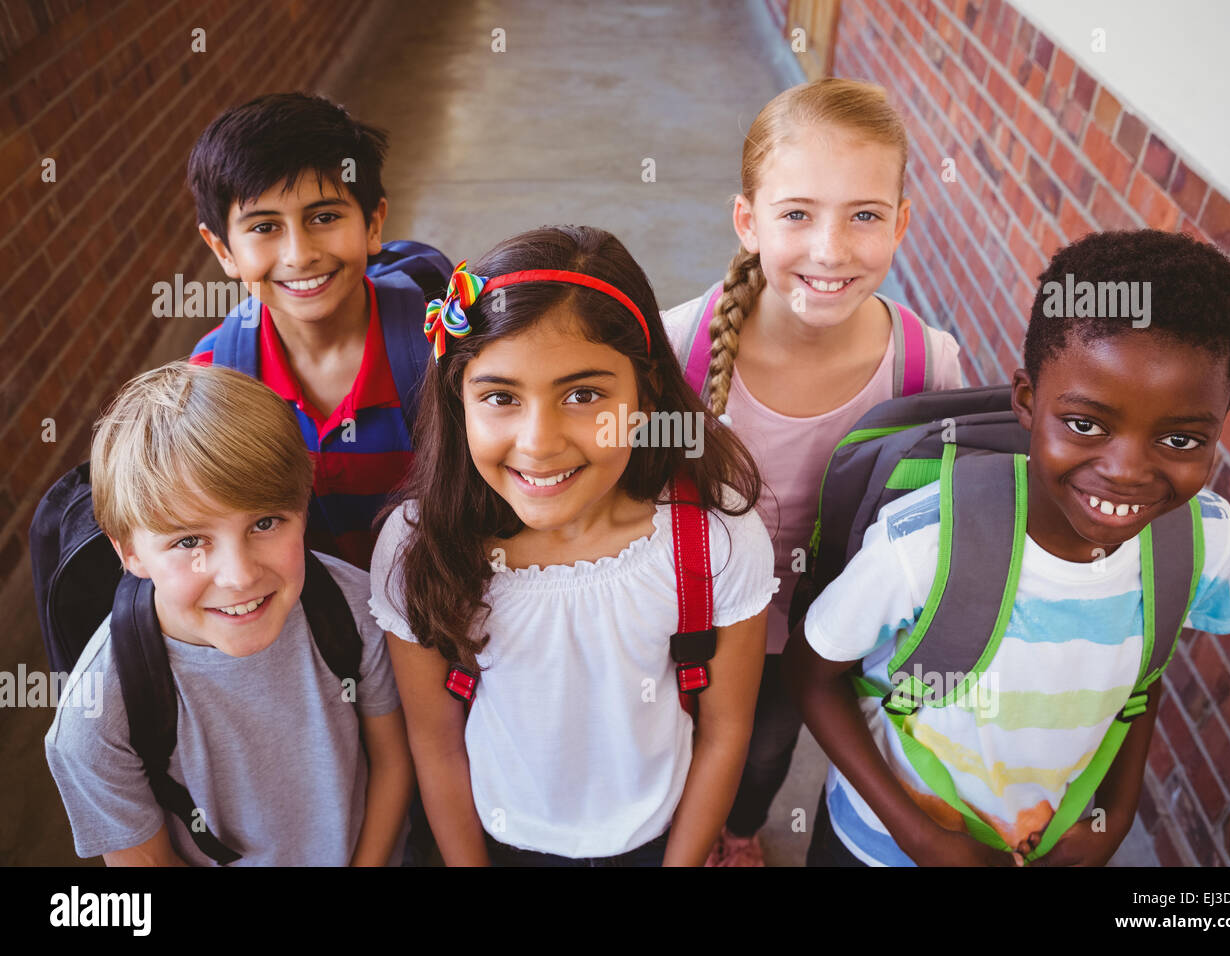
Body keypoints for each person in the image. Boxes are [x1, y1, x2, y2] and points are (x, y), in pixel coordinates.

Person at [785, 229, 1230, 866]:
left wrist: (1111, 819)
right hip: (879, 846)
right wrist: (920, 836)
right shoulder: (926, 543)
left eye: (1179, 440)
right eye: (1086, 424)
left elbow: (1141, 675)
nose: (1125, 471)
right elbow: (813, 678)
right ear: (1028, 400)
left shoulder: (1205, 545)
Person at [370, 225, 780, 866]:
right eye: (501, 397)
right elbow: (436, 744)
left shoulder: (715, 540)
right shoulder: (419, 546)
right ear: (460, 402)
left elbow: (725, 732)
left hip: (658, 841)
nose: (538, 442)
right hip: (498, 842)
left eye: (583, 395)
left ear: (645, 397)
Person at [662, 77, 963, 865]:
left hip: (811, 634)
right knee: (669, 743)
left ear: (900, 224)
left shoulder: (927, 365)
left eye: (864, 215)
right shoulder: (676, 348)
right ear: (748, 221)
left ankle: (738, 830)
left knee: (763, 752)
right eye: (797, 213)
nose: (831, 249)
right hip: (681, 620)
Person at [45, 362, 413, 865]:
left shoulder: (355, 609)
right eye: (190, 541)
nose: (238, 576)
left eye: (265, 522)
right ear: (130, 553)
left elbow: (393, 762)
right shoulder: (98, 718)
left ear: (303, 509)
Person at [187, 92, 447, 570]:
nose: (299, 254)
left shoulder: (444, 346)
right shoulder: (213, 381)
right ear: (222, 249)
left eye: (324, 218)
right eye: (265, 227)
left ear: (373, 225)